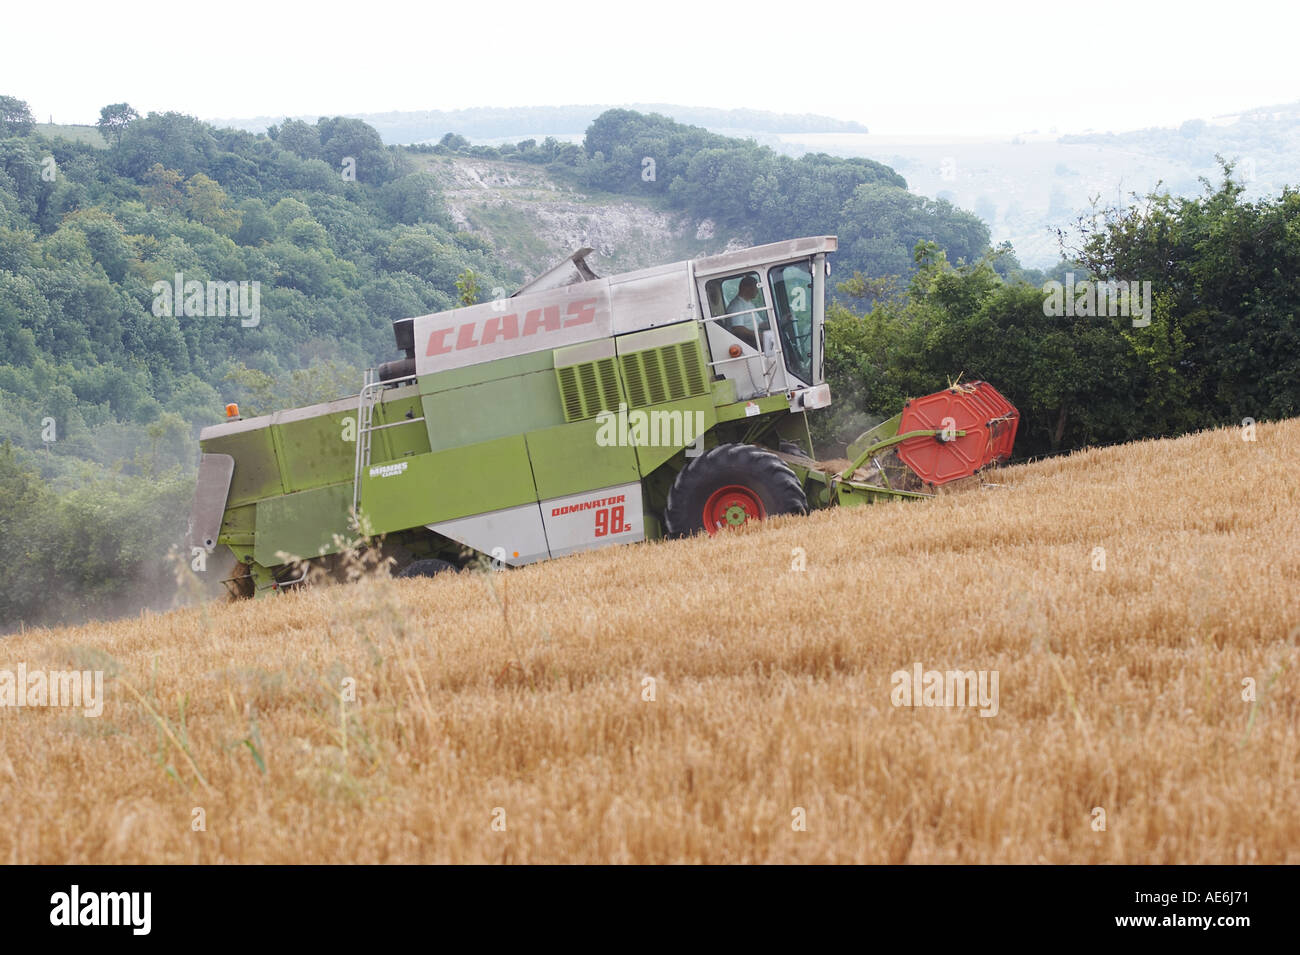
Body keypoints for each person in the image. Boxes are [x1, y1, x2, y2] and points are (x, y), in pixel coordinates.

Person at [723, 275, 769, 347]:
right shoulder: (736, 305)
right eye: (755, 287)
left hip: (752, 339)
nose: (757, 291)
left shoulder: (749, 304)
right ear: (746, 288)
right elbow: (738, 329)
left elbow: (760, 324)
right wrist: (758, 336)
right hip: (744, 343)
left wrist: (778, 322)